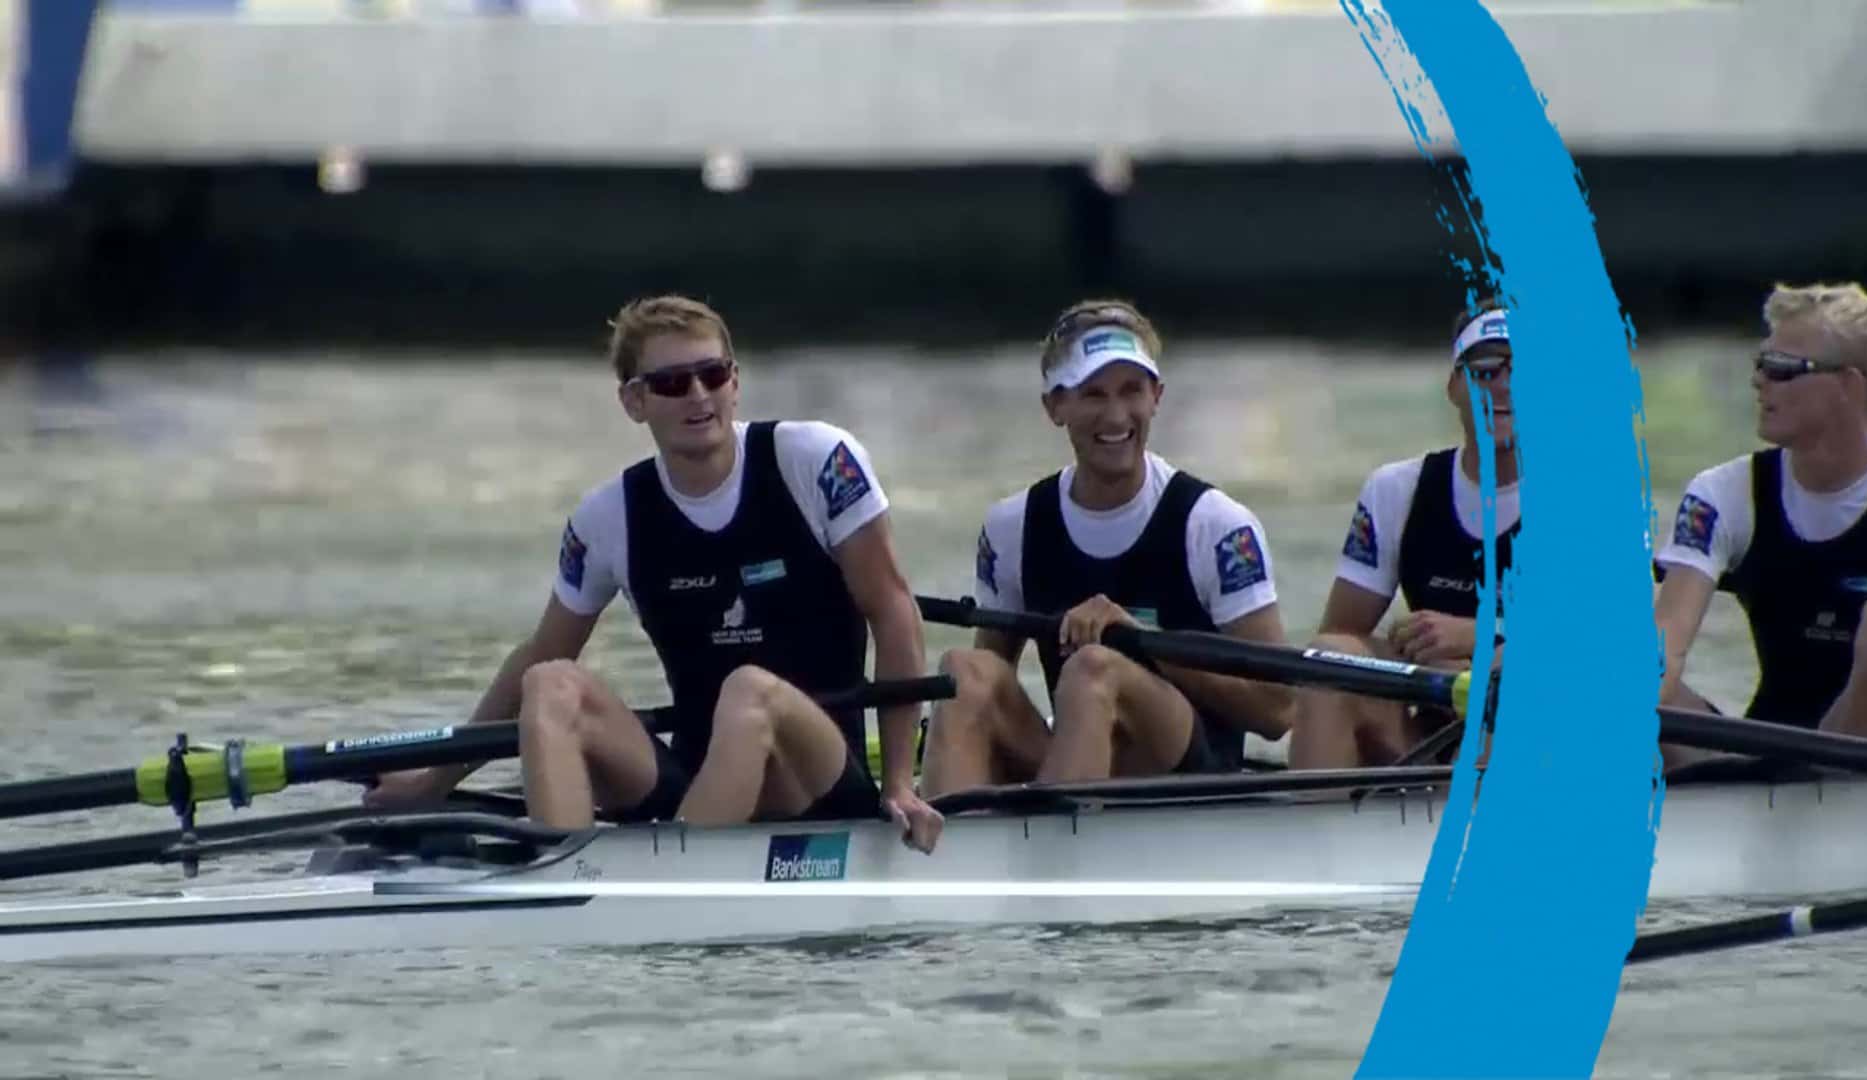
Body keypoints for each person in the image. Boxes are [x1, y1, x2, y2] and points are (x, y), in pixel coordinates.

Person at [365, 295, 944, 852]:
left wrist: (897, 781)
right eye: (671, 383)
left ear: (735, 382)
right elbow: (537, 654)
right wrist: (431, 785)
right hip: (696, 771)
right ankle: (567, 872)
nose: (697, 394)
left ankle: (672, 866)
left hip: (817, 771)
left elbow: (893, 612)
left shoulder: (814, 460)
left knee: (749, 690)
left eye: (712, 375)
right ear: (633, 402)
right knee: (550, 681)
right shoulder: (607, 516)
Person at [918, 299, 1294, 797]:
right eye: (1093, 394)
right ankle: (943, 857)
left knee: (1096, 669)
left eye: (1131, 391)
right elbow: (995, 680)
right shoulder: (1011, 527)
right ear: (1056, 406)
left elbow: (1278, 711)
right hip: (1077, 747)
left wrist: (1139, 642)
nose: (1116, 415)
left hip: (1190, 772)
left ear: (1157, 396)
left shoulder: (1216, 526)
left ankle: (1051, 857)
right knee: (963, 673)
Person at [1286, 296, 1519, 770]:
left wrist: (1482, 638)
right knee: (1330, 659)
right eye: (1484, 370)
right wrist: (1413, 654)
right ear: (1454, 387)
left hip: (1549, 737)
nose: (1503, 387)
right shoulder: (1398, 490)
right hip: (1432, 723)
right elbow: (1341, 632)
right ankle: (1309, 825)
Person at [1654, 281, 1867, 761]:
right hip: (1755, 755)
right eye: (1760, 364)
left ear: (1848, 387)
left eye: (1781, 369)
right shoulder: (1722, 493)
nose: (1759, 381)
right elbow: (1664, 648)